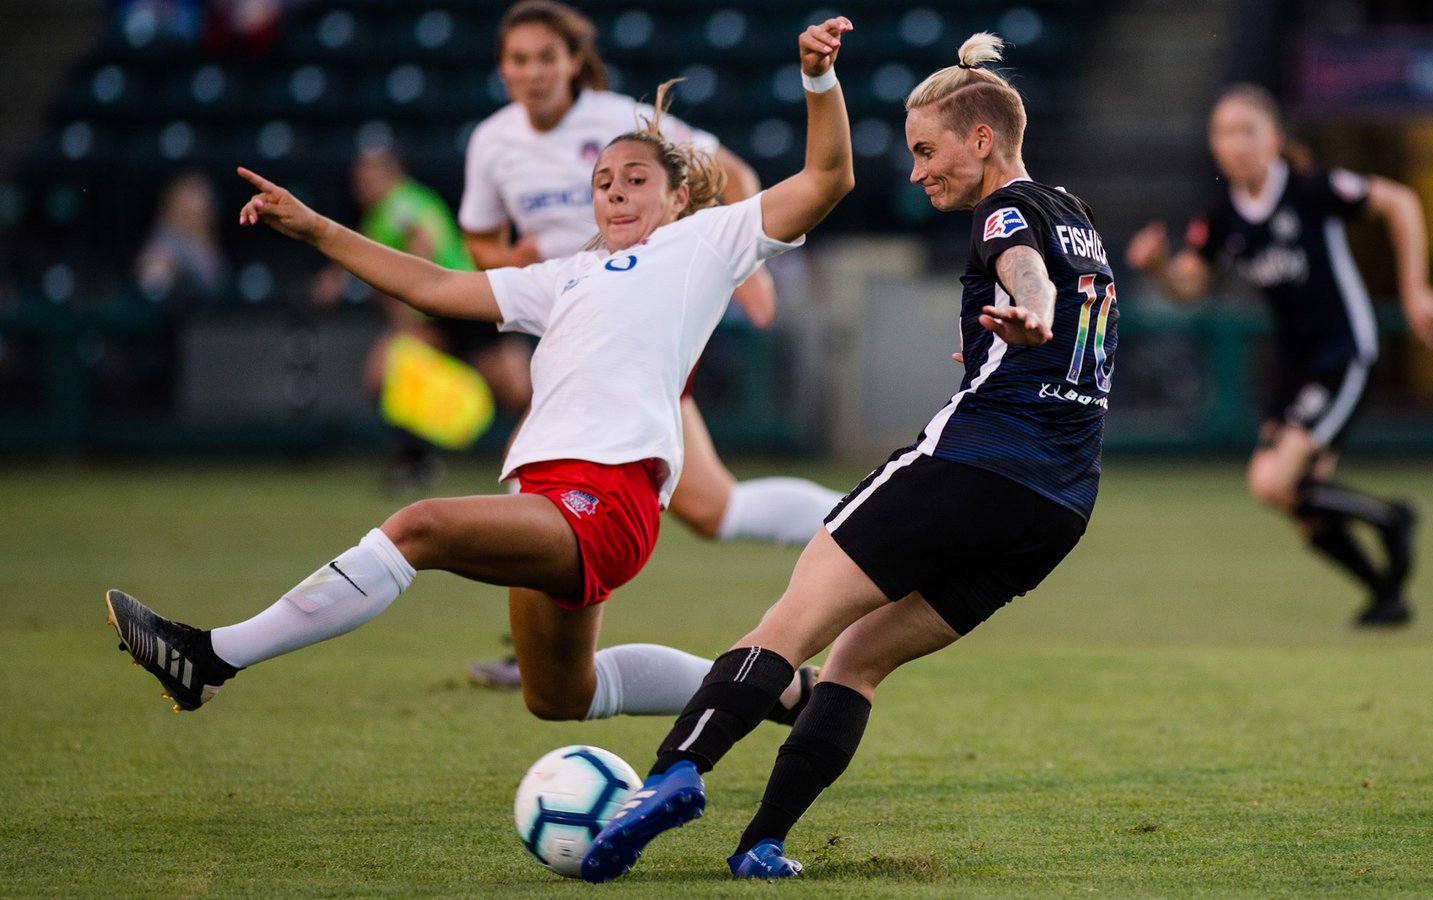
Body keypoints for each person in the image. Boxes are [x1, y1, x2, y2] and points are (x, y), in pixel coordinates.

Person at [104, 17, 854, 738]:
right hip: (546, 491)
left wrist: (817, 79)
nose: (617, 191)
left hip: (608, 499)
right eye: (603, 181)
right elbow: (433, 286)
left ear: (679, 196)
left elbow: (827, 177)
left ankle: (210, 658)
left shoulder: (703, 243)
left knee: (419, 527)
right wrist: (318, 228)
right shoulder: (563, 276)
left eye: (635, 178)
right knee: (561, 696)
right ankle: (783, 689)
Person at [580, 32, 1116, 882]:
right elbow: (1059, 309)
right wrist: (1010, 338)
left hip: (974, 465)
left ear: (981, 140)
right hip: (1058, 507)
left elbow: (1025, 271)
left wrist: (1030, 309)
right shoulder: (1077, 214)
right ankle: (761, 844)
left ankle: (670, 775)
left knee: (789, 626)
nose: (916, 172)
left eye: (926, 150)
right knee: (859, 662)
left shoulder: (1005, 209)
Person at [460, 0, 848, 688]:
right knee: (711, 508)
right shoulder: (492, 140)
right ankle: (876, 525)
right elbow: (481, 240)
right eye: (518, 59)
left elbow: (729, 172)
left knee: (568, 484)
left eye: (545, 57)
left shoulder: (615, 122)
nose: (532, 72)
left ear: (574, 62)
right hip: (571, 327)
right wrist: (506, 256)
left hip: (638, 326)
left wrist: (745, 270)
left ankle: (878, 526)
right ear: (501, 68)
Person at [1124, 83, 1433, 627]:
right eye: (1223, 133)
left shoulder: (1308, 190)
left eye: (1246, 131)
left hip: (1344, 351)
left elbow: (1400, 201)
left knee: (1276, 483)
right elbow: (1191, 284)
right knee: (1294, 501)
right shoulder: (1222, 215)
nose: (1235, 145)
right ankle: (1386, 591)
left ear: (1275, 139)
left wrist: (1415, 289)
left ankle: (1394, 521)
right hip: (1295, 364)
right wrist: (1159, 267)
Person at [312, 145, 532, 491]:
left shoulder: (402, 202)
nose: (362, 183)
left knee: (517, 389)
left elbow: (421, 241)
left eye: (370, 174)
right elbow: (365, 255)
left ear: (392, 172)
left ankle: (547, 456)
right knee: (383, 370)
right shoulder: (379, 216)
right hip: (444, 312)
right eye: (359, 176)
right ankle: (415, 462)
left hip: (463, 304)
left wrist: (404, 307)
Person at [135, 170, 229, 301]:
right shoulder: (165, 243)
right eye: (191, 197)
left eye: (204, 198)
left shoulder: (203, 241)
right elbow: (154, 281)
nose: (201, 206)